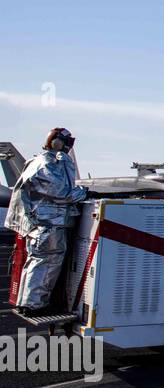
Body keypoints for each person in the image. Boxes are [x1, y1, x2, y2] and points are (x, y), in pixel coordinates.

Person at [4, 127, 88, 314]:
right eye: (67, 142)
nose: (68, 147)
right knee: (47, 265)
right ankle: (35, 305)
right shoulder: (48, 164)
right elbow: (62, 193)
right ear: (57, 142)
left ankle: (26, 302)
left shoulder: (38, 161)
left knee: (36, 262)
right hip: (50, 225)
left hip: (41, 225)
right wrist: (83, 193)